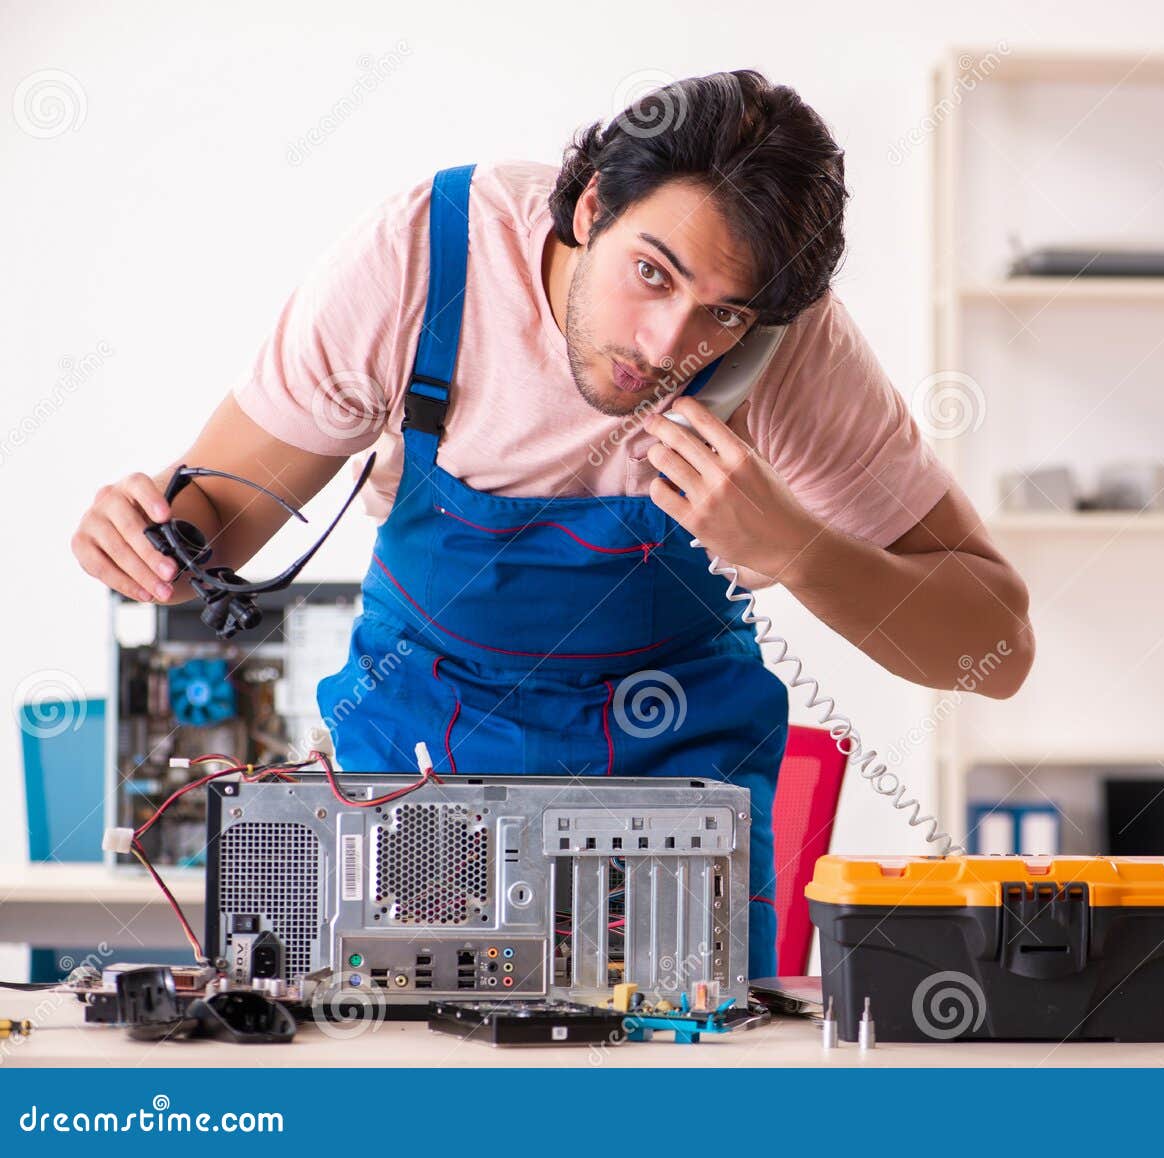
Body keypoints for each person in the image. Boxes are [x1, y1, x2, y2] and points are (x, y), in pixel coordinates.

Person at [71, 70, 1035, 980]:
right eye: (653, 274)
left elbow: (996, 648)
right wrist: (141, 537)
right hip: (415, 795)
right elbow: (210, 533)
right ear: (588, 210)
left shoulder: (794, 350)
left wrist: (801, 550)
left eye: (724, 316)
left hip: (675, 836)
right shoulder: (424, 259)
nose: (669, 349)